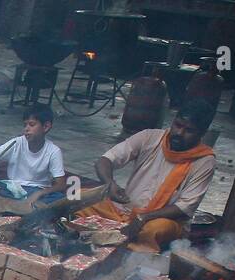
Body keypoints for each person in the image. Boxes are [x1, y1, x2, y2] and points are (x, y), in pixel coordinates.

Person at [79, 100, 216, 252]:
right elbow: (105, 160)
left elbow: (185, 207)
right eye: (178, 125)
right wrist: (110, 184)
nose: (179, 133)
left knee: (154, 230)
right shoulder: (149, 137)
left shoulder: (204, 161)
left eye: (189, 130)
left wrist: (144, 217)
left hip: (160, 220)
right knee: (78, 198)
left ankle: (129, 254)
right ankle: (106, 236)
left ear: (202, 133)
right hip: (124, 211)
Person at [0, 105, 67, 210]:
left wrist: (40, 193)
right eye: (25, 125)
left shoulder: (53, 151)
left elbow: (61, 184)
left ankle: (15, 206)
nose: (26, 129)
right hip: (13, 188)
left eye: (31, 124)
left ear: (46, 127)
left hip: (36, 190)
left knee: (60, 198)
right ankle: (20, 206)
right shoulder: (17, 143)